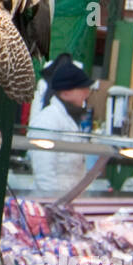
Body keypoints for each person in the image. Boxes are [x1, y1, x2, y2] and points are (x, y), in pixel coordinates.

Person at [28, 55, 94, 195]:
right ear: (65, 92)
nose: (87, 93)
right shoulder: (47, 121)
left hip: (68, 201)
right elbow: (44, 175)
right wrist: (55, 207)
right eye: (82, 89)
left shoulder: (72, 119)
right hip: (52, 203)